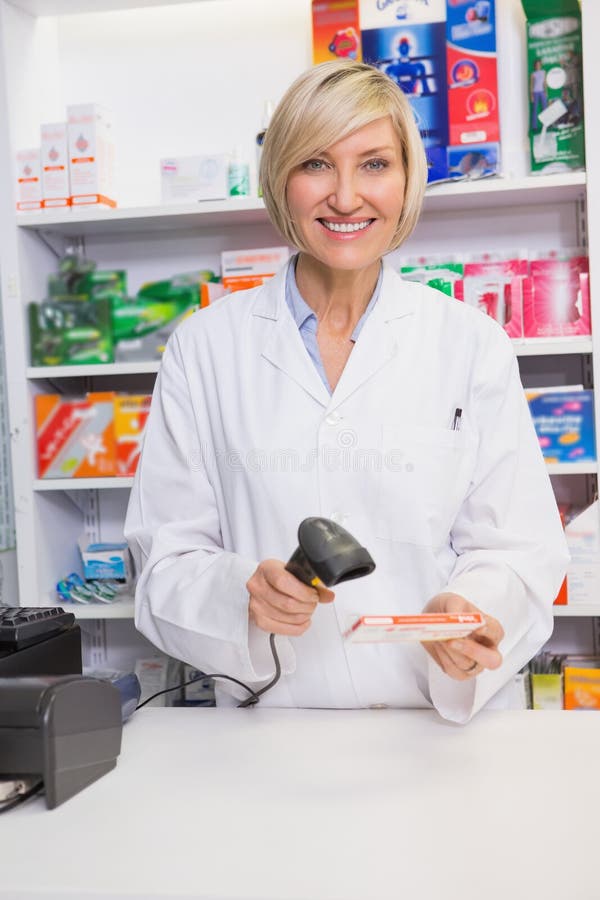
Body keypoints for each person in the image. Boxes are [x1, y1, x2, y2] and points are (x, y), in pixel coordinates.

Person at [124, 60, 569, 723]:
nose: (345, 196)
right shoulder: (204, 347)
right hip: (269, 730)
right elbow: (165, 559)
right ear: (280, 180)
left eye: (374, 164)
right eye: (316, 164)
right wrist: (240, 595)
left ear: (407, 179)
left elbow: (519, 546)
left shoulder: (470, 342)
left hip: (434, 730)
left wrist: (473, 609)